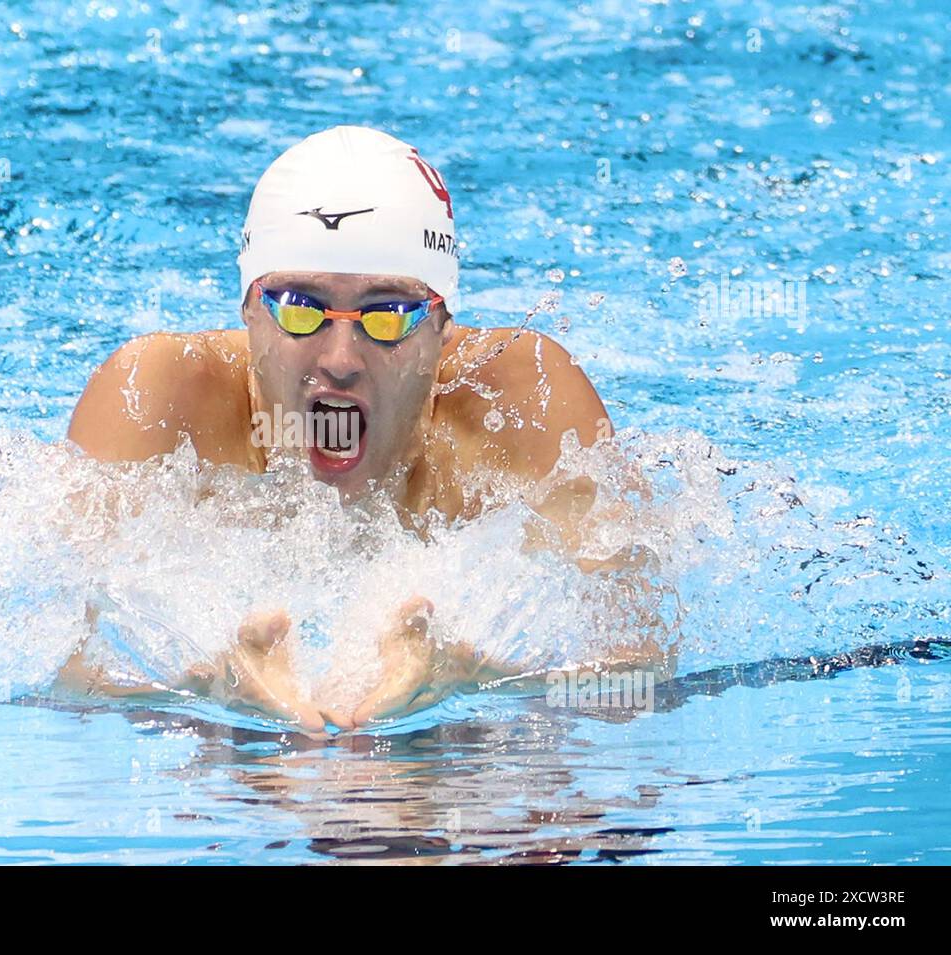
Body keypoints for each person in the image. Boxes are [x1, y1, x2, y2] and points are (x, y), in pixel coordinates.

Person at [58, 125, 626, 733]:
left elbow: (643, 664)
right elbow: (53, 666)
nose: (340, 360)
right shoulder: (158, 401)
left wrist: (485, 684)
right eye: (300, 308)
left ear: (442, 327)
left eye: (387, 315)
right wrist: (195, 694)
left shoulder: (521, 399)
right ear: (249, 309)